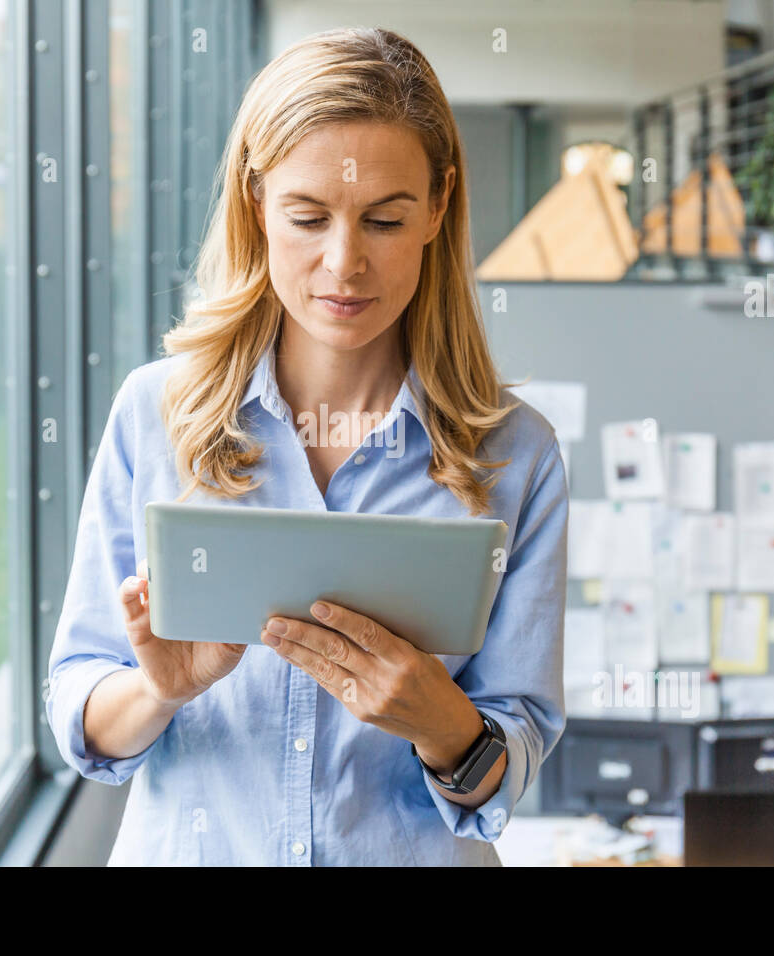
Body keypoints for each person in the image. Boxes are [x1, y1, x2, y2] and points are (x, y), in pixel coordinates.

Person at [45, 26, 568, 866]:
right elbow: (79, 704)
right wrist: (159, 689)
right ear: (256, 202)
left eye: (386, 219)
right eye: (307, 216)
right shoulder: (156, 413)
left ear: (438, 206)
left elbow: (511, 762)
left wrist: (442, 724)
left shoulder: (517, 455)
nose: (344, 262)